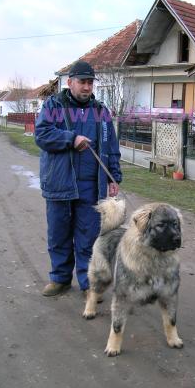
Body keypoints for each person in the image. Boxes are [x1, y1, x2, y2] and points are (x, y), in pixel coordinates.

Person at [35, 60, 122, 296]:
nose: (86, 87)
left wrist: (113, 177)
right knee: (59, 234)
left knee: (88, 237)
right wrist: (70, 138)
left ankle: (88, 284)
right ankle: (60, 279)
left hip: (90, 186)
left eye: (90, 82)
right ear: (70, 82)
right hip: (59, 182)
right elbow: (42, 135)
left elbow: (111, 147)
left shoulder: (101, 112)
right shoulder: (53, 105)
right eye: (82, 82)